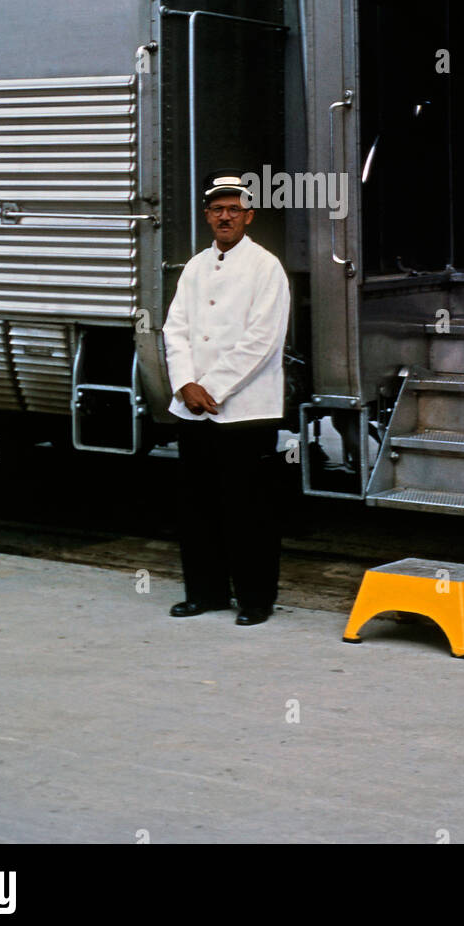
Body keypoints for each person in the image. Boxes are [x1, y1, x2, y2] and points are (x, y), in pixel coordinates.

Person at [162, 171, 290, 625]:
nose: (225, 216)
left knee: (249, 511)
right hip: (194, 410)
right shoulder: (195, 266)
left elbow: (262, 340)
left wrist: (210, 388)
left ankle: (255, 600)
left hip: (245, 411)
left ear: (249, 216)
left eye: (233, 209)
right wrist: (184, 384)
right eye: (217, 209)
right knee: (197, 508)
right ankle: (205, 593)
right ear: (207, 216)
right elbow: (173, 328)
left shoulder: (266, 267)